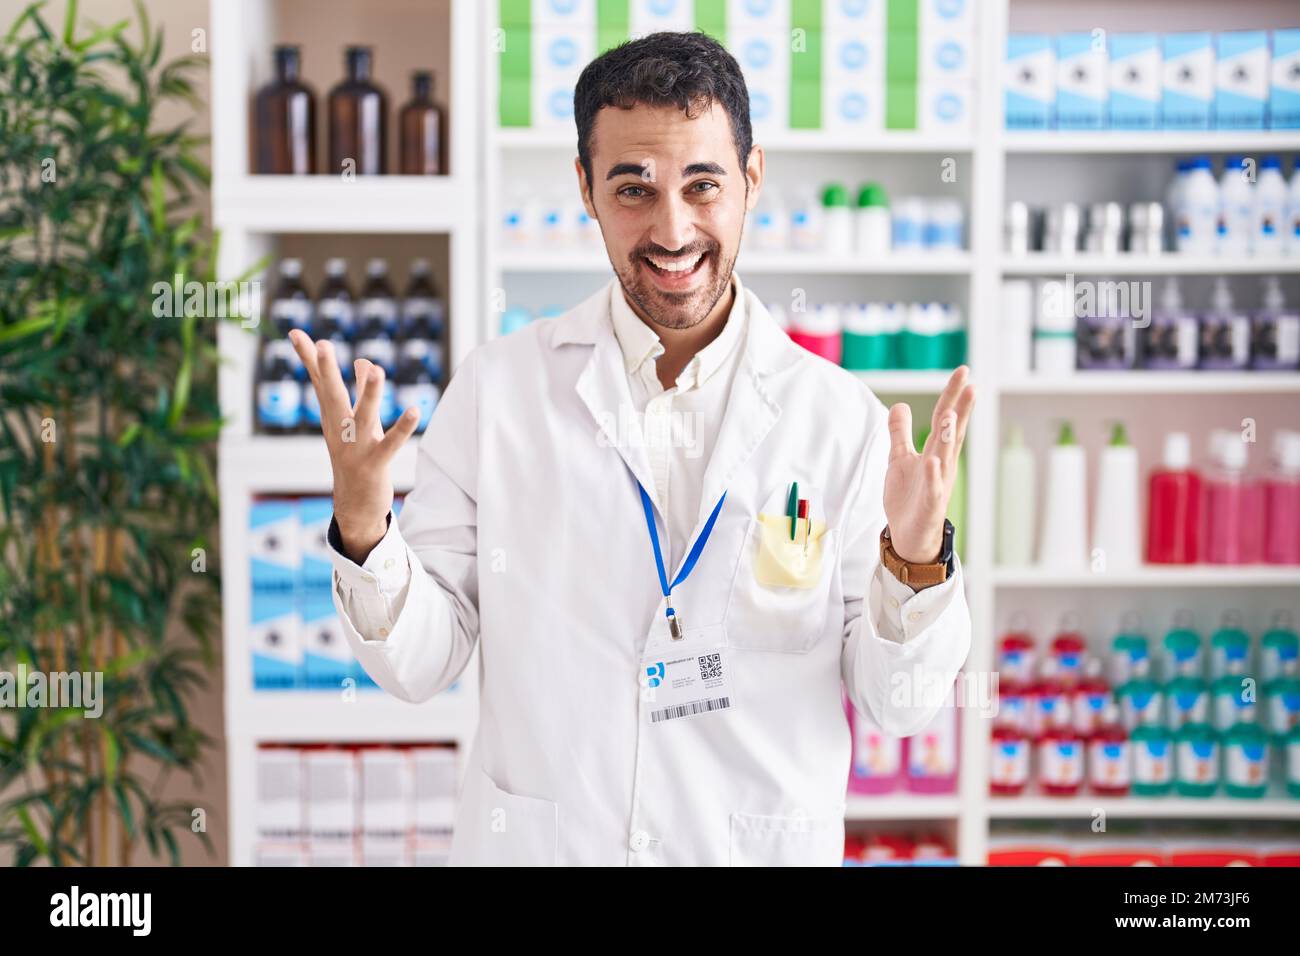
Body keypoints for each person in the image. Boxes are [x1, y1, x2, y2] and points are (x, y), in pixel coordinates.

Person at [288, 31, 974, 866]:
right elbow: (421, 665)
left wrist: (913, 561)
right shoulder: (500, 392)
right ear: (585, 187)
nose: (672, 228)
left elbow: (899, 703)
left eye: (703, 185)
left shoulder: (840, 419)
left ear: (752, 180)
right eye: (633, 189)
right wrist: (364, 529)